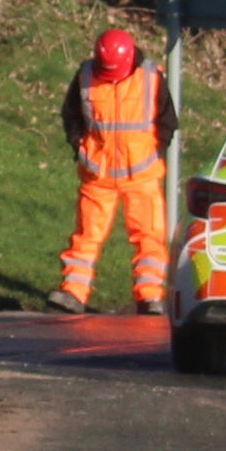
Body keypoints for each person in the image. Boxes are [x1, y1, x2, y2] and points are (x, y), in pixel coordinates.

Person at [53, 27, 177, 314]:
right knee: (86, 237)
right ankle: (73, 292)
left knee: (149, 237)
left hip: (142, 175)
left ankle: (150, 296)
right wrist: (81, 149)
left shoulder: (151, 78)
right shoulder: (85, 77)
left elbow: (167, 121)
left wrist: (154, 152)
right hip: (99, 174)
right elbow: (71, 116)